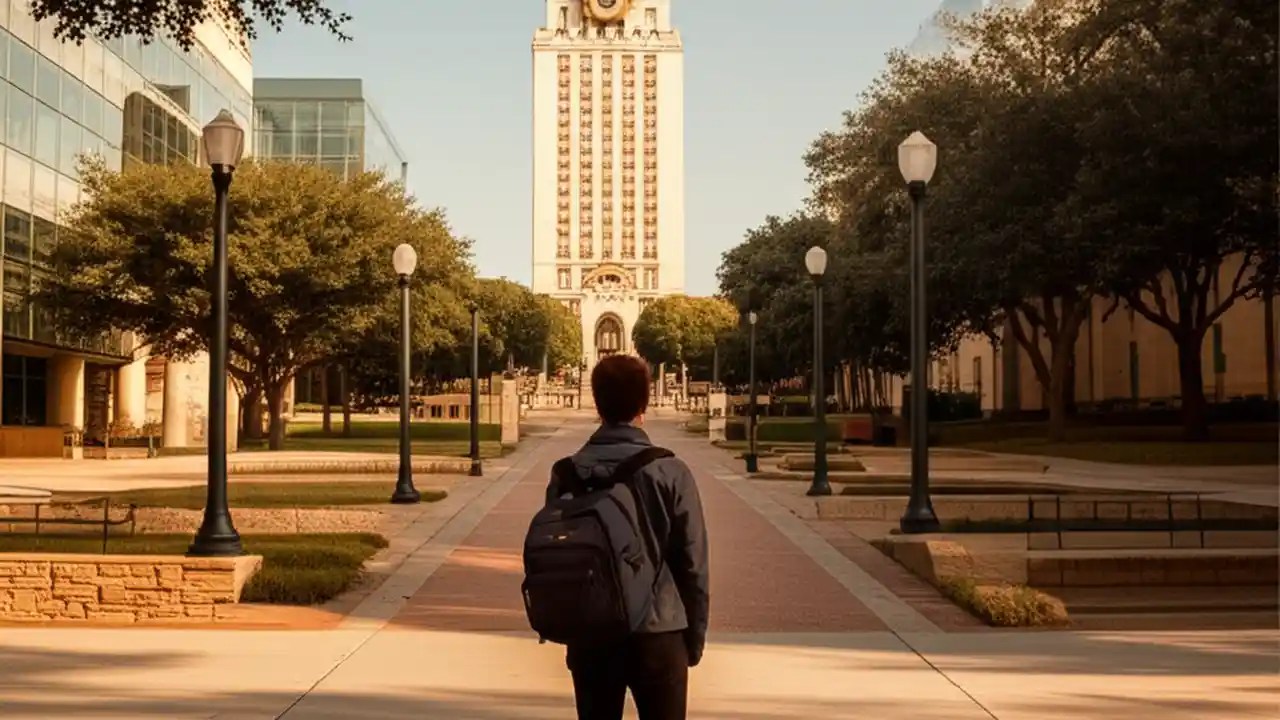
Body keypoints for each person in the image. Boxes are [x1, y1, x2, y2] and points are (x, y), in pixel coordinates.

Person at [545, 354, 710, 720]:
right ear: (644, 402)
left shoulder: (567, 473)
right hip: (660, 628)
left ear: (597, 402)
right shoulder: (670, 471)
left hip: (592, 632)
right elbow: (693, 564)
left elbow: (561, 558)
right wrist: (692, 640)